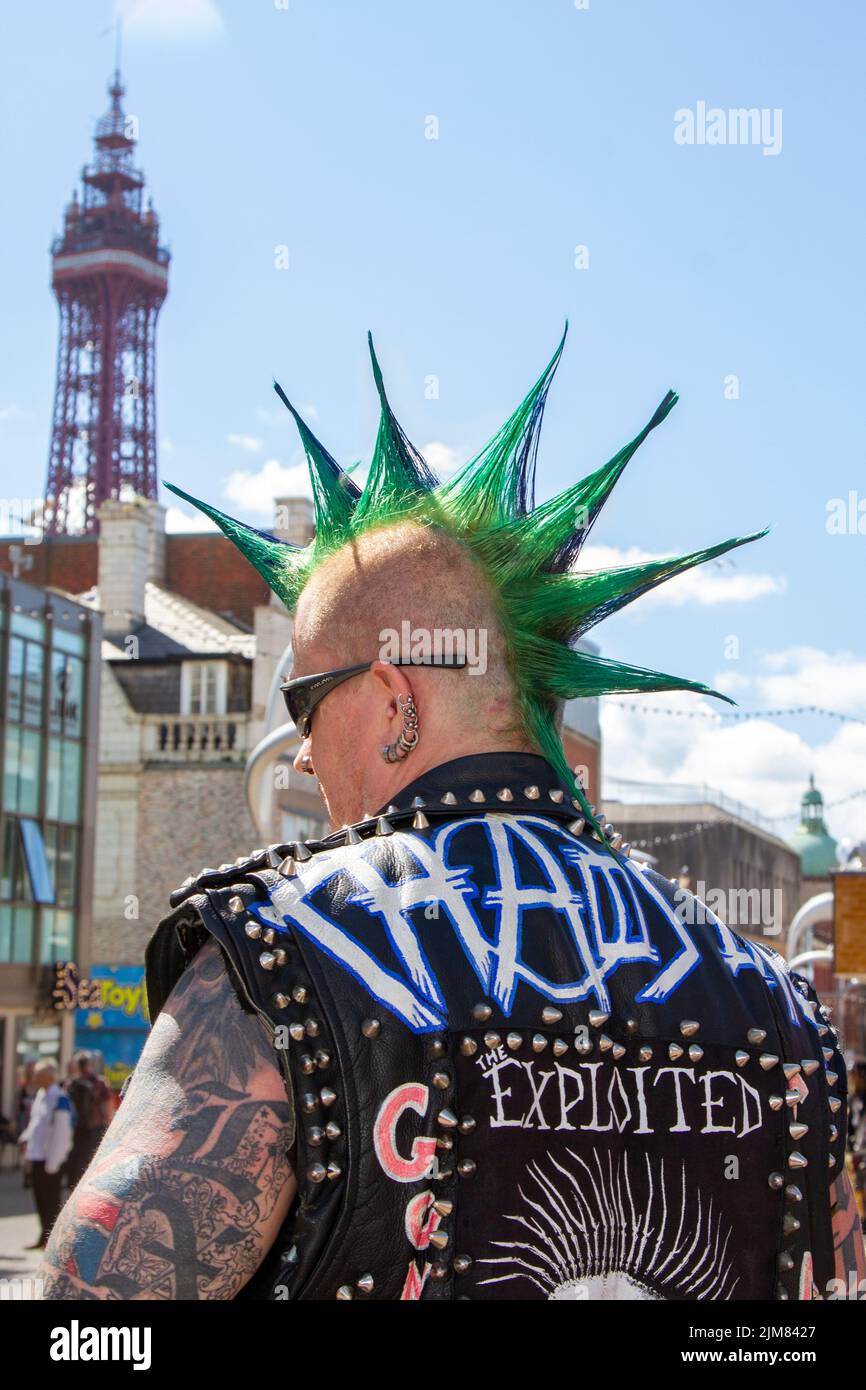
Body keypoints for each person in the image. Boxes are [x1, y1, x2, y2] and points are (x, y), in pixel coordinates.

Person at [42, 331, 866, 1300]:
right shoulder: (778, 1009)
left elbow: (90, 1321)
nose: (301, 750)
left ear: (394, 705)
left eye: (304, 700)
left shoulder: (285, 948)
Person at [18, 1059, 73, 1250]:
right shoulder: (41, 1095)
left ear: (49, 1077)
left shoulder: (60, 1099)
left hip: (50, 1159)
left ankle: (52, 1241)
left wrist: (54, 1161)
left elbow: (61, 1133)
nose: (34, 1078)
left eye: (38, 1075)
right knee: (40, 1200)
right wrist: (25, 1139)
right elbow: (35, 1124)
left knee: (51, 1201)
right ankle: (43, 1237)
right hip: (37, 1156)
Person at [64, 1050, 108, 1190]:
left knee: (76, 1157)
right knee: (92, 1158)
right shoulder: (99, 1082)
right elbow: (107, 1107)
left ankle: (74, 1185)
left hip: (76, 1127)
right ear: (90, 1064)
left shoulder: (71, 1083)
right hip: (94, 1127)